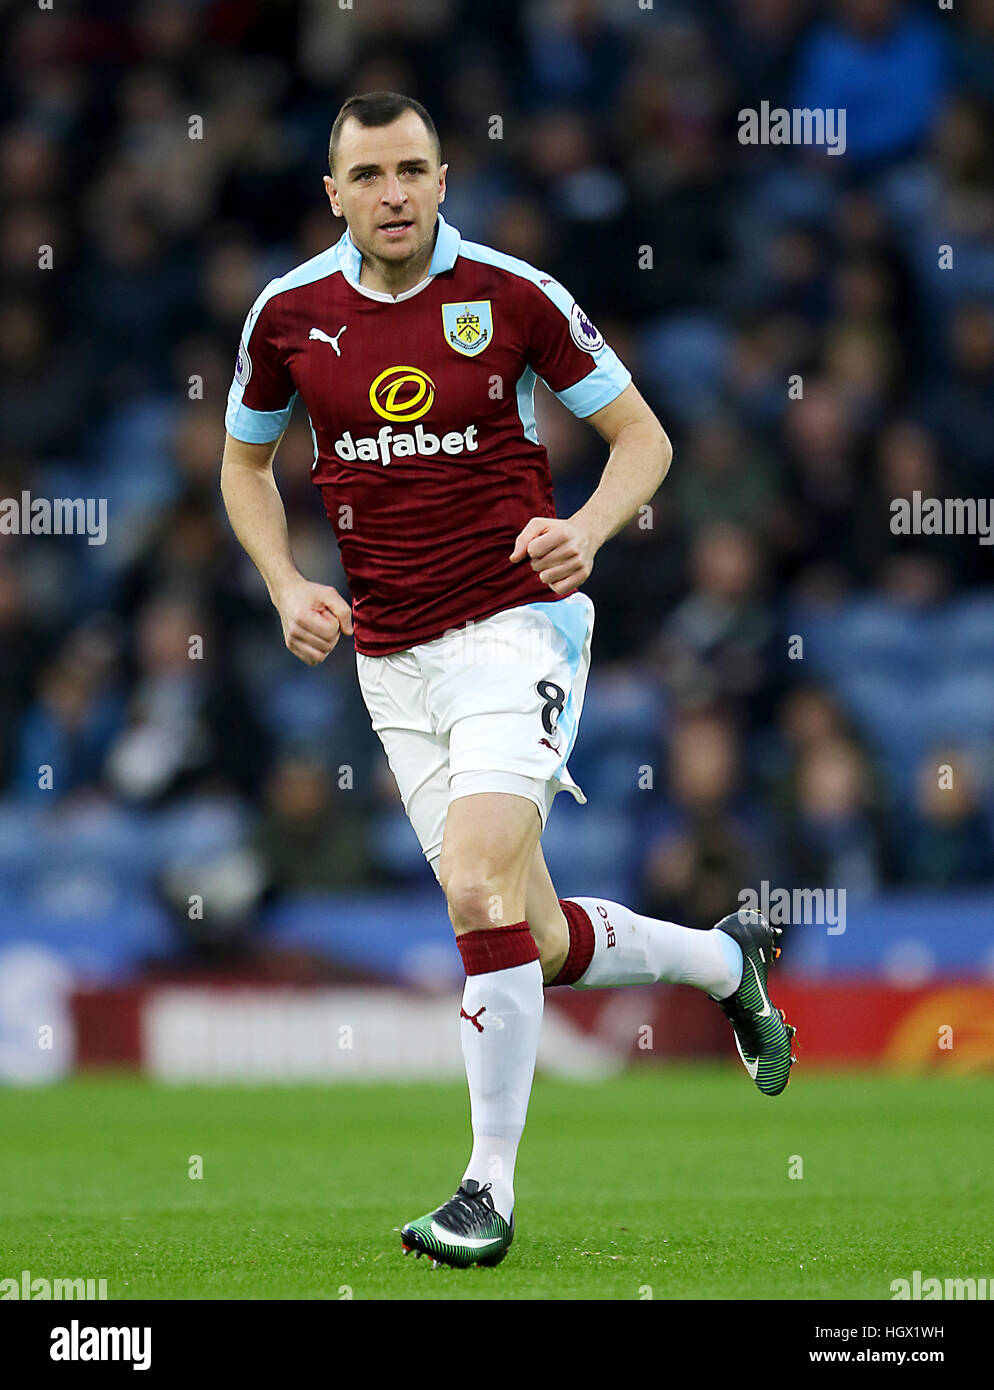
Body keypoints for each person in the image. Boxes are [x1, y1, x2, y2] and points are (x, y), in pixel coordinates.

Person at [220, 91, 796, 1270]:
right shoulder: (287, 316)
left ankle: (486, 1188)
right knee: (521, 930)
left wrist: (586, 526)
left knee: (475, 881)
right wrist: (284, 584)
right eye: (369, 175)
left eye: (413, 170)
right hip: (392, 659)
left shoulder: (513, 295)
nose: (393, 193)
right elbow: (243, 463)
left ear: (444, 179)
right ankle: (722, 961)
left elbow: (645, 437)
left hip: (515, 630)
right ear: (333, 194)